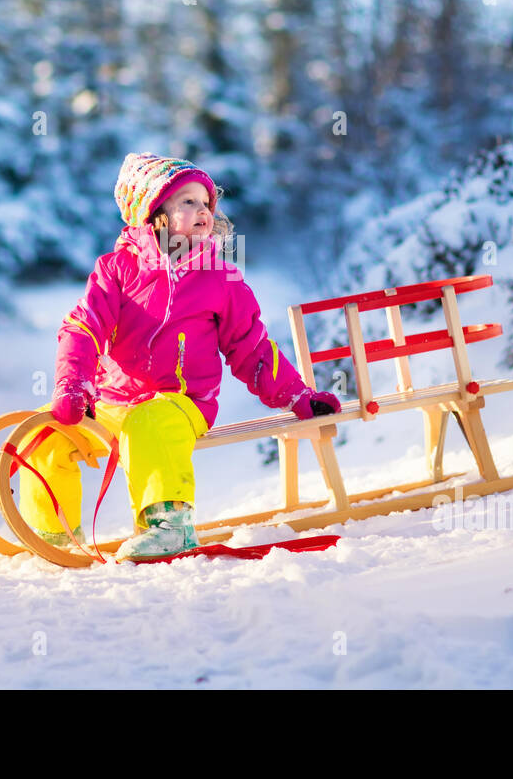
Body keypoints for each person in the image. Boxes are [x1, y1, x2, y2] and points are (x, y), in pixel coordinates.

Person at [17, 152, 341, 561]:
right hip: (110, 401)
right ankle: (53, 532)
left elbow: (252, 347)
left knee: (150, 421)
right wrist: (73, 384)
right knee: (43, 433)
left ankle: (169, 526)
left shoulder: (221, 278)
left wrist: (296, 395)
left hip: (180, 403)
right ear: (154, 214)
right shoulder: (115, 271)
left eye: (206, 203)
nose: (203, 211)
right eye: (188, 201)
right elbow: (82, 328)